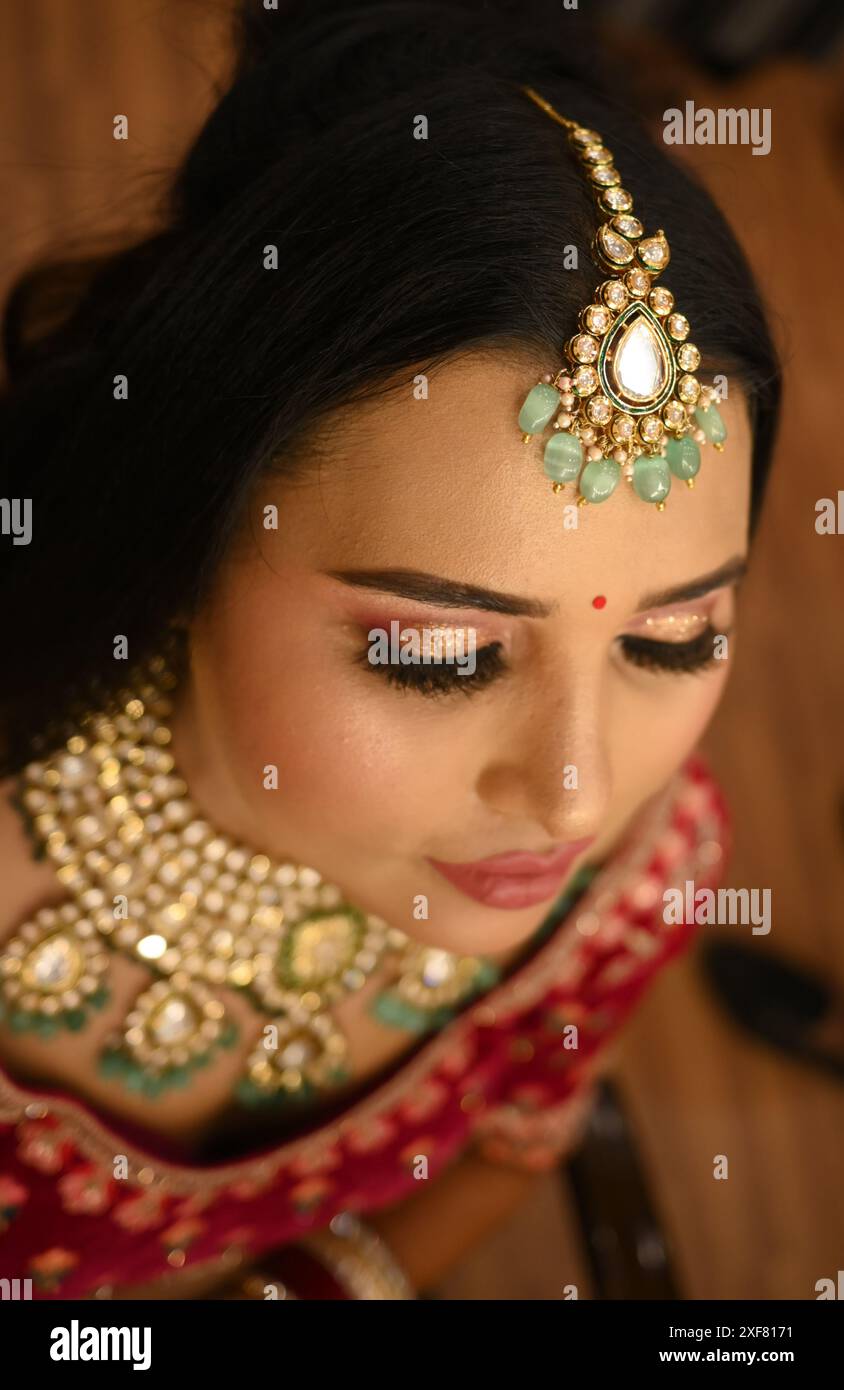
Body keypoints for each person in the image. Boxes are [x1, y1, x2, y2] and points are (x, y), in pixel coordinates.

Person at [0, 0, 779, 1299]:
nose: (576, 793)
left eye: (677, 638)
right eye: (437, 654)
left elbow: (509, 1156)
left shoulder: (638, 875)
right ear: (185, 542)